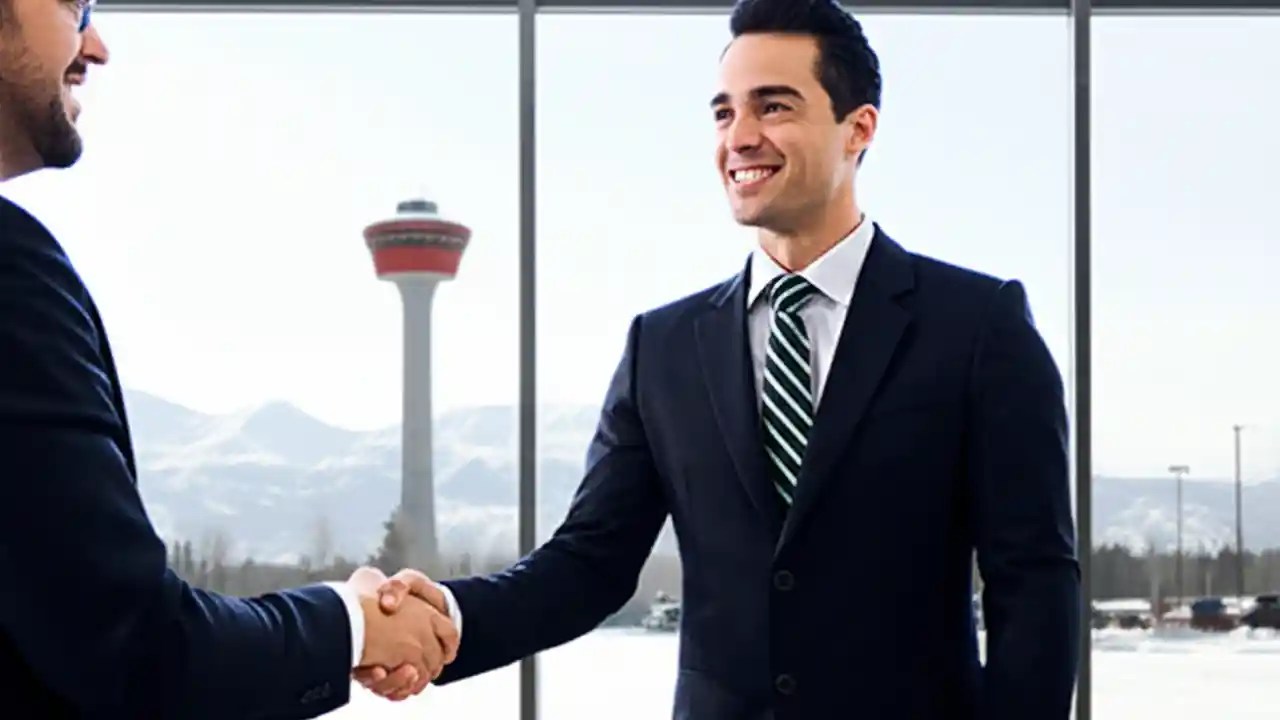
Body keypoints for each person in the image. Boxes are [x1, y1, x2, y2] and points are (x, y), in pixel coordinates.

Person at [368, 0, 1081, 717]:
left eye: (772, 107)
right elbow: (591, 563)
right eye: (722, 113)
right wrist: (450, 619)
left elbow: (1035, 583)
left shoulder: (978, 326)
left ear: (858, 128)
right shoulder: (664, 347)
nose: (740, 137)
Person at [0, 1, 456, 716]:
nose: (98, 44)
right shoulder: (8, 270)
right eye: (68, 3)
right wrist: (355, 624)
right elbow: (138, 653)